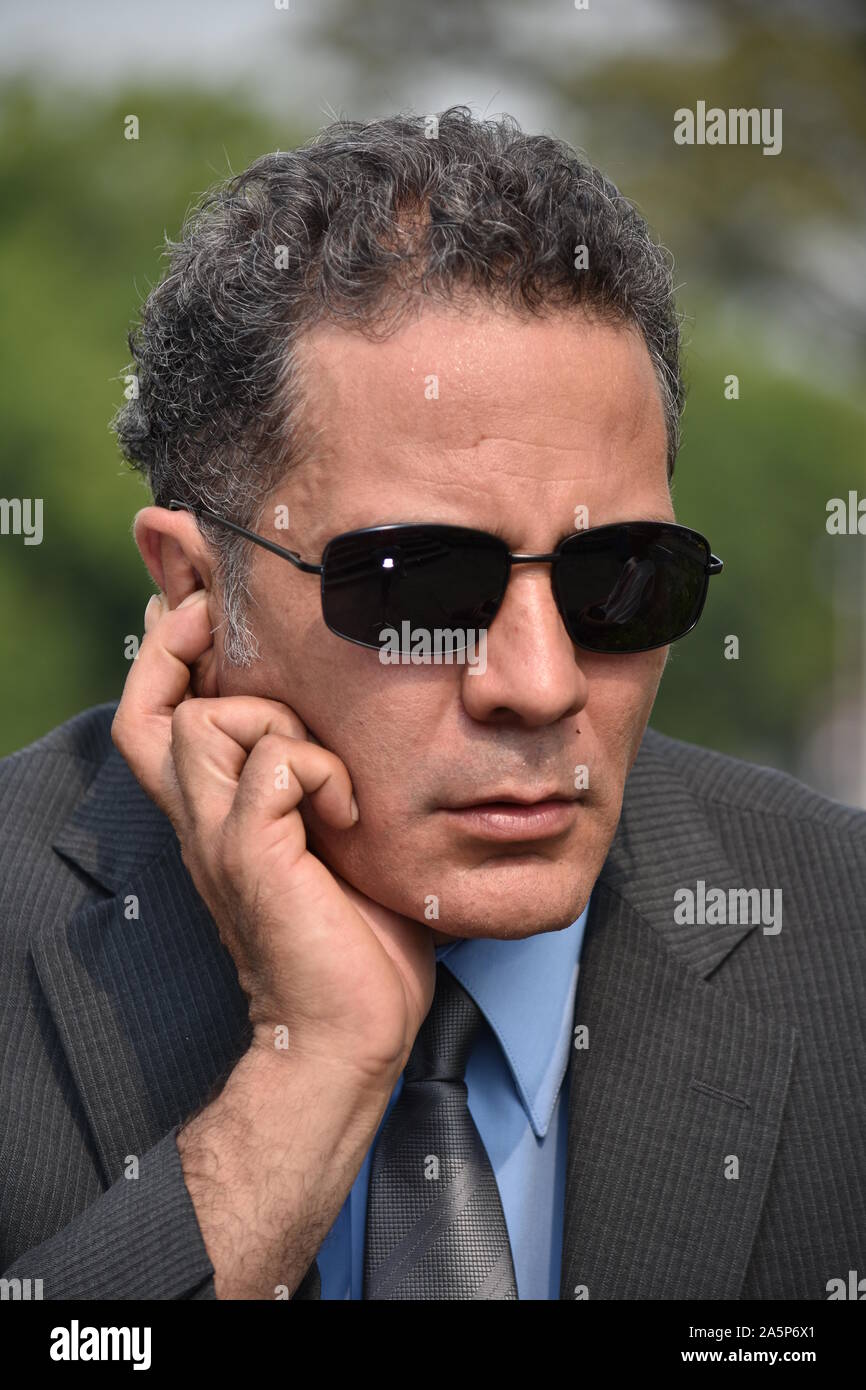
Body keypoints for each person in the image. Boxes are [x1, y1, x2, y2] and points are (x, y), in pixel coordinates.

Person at [1, 107, 863, 1301]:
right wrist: (311, 1083)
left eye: (616, 579)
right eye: (424, 584)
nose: (540, 683)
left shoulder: (840, 938)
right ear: (200, 591)